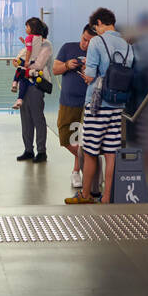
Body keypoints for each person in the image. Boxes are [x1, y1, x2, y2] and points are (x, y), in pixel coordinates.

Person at [67, 7, 135, 204]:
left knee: (89, 152)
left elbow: (89, 76)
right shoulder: (127, 46)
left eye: (95, 28)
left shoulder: (97, 41)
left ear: (98, 24)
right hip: (118, 105)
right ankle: (106, 197)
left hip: (97, 105)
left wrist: (87, 66)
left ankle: (85, 195)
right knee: (111, 154)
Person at [53, 23, 94, 190]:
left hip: (89, 102)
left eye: (90, 42)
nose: (85, 44)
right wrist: (67, 65)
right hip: (68, 101)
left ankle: (77, 171)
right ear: (81, 35)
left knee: (83, 138)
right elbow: (55, 69)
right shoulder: (68, 48)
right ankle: (87, 161)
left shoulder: (96, 53)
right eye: (84, 39)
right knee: (65, 135)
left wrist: (88, 72)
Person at [12, 17, 53, 162]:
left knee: (37, 118)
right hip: (24, 83)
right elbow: (20, 58)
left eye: (27, 26)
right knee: (25, 118)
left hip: (36, 84)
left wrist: (24, 65)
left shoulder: (46, 44)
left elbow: (39, 64)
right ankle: (28, 149)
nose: (26, 29)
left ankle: (41, 151)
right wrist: (18, 62)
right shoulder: (29, 43)